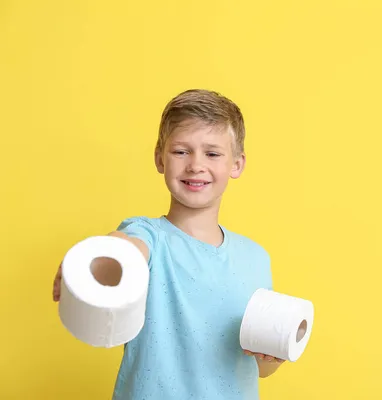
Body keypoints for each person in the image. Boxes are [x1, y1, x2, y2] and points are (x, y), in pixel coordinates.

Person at [52, 89, 284, 400]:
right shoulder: (147, 236)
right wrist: (94, 259)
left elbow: (260, 367)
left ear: (236, 164)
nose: (195, 165)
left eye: (212, 153)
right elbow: (126, 250)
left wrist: (272, 355)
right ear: (160, 158)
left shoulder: (256, 259)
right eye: (181, 152)